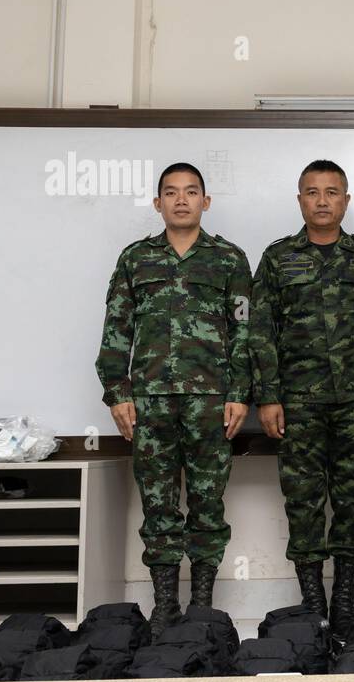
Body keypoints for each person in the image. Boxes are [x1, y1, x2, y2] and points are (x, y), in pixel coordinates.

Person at [96, 162, 251, 637]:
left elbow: (245, 331)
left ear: (206, 201)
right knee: (158, 504)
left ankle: (201, 607)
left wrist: (241, 393)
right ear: (157, 202)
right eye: (171, 192)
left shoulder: (229, 259)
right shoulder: (134, 259)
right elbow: (116, 329)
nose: (181, 199)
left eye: (191, 192)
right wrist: (117, 392)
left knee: (208, 503)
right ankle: (165, 608)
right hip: (150, 402)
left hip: (210, 402)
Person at [249, 159, 354, 633]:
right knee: (304, 502)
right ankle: (313, 604)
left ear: (346, 200)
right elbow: (261, 332)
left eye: (332, 192)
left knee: (352, 502)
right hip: (298, 405)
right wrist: (268, 397)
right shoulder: (277, 258)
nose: (322, 201)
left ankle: (346, 605)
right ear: (300, 201)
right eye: (312, 192)